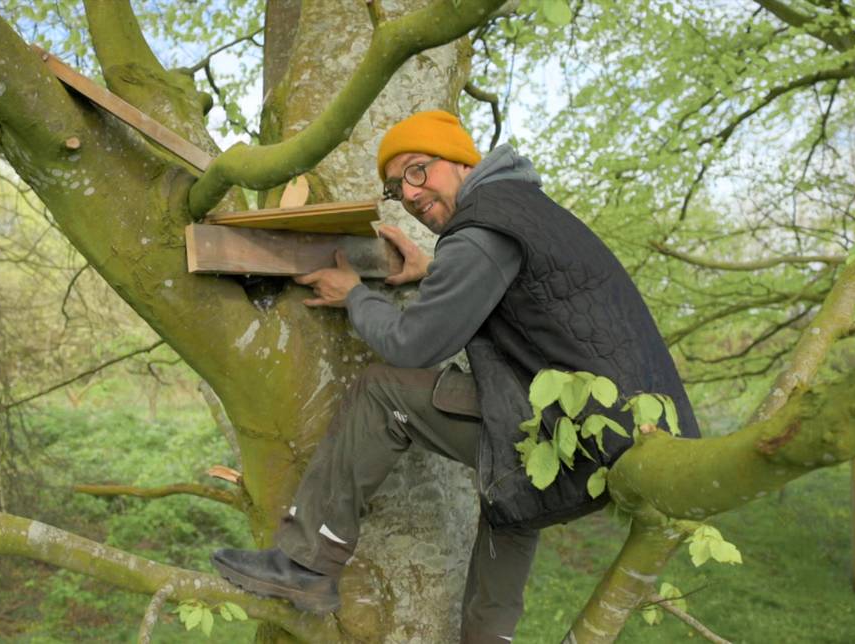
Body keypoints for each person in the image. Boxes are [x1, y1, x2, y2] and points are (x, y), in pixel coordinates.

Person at [211, 110, 699, 642]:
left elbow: (414, 344)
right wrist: (434, 270)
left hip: (579, 428)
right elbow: (520, 296)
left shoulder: (483, 230)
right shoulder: (520, 208)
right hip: (624, 432)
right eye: (398, 187)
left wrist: (355, 295)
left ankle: (307, 564)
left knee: (383, 391)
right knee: (512, 495)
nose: (412, 194)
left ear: (462, 161)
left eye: (419, 171)